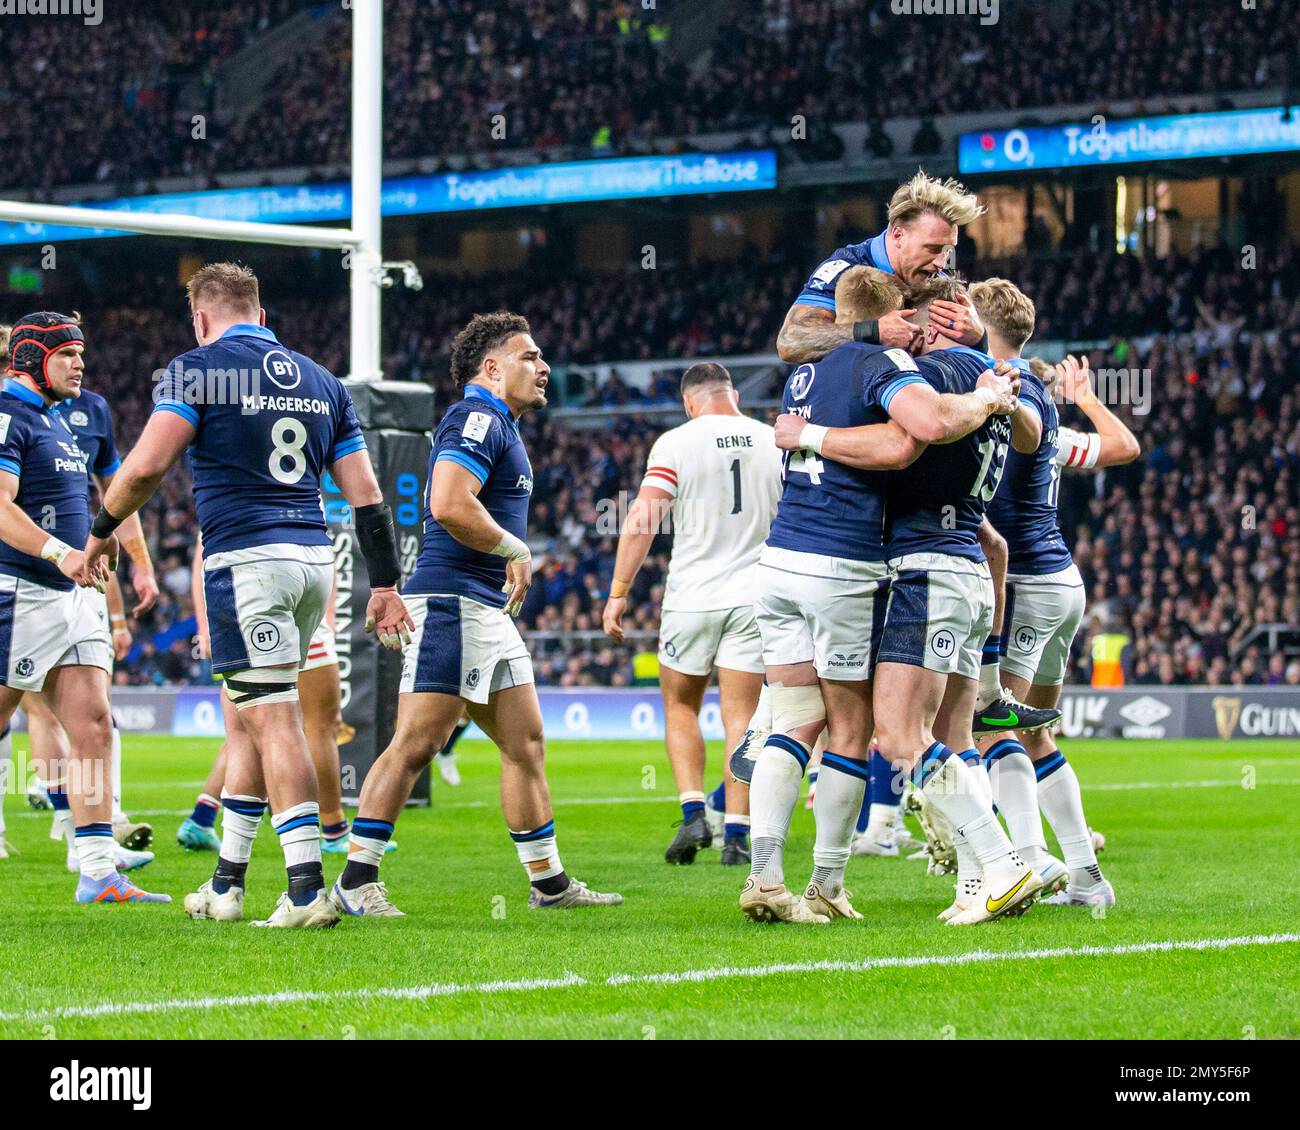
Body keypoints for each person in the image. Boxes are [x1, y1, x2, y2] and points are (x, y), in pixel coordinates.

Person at [81, 262, 411, 928]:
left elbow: (145, 465)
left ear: (201, 319)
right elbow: (369, 495)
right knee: (247, 721)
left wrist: (99, 532)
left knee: (272, 721)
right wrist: (385, 584)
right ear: (261, 316)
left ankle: (302, 892)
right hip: (315, 561)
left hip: (247, 561)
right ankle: (227, 885)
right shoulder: (323, 380)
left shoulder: (195, 370)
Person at [743, 266, 1017, 924]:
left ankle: (765, 878)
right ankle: (833, 883)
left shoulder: (803, 373)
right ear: (892, 315)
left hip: (778, 559)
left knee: (792, 721)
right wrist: (987, 397)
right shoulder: (878, 361)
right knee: (855, 729)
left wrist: (804, 432)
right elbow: (907, 439)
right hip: (840, 565)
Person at [332, 313, 621, 917]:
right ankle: (356, 882)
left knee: (525, 743)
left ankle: (549, 884)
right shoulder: (479, 416)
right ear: (491, 368)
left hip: (483, 608)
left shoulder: (500, 423)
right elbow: (446, 503)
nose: (544, 369)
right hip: (453, 603)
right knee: (417, 741)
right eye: (530, 357)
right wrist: (514, 548)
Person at [972, 280, 1141, 907]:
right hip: (1061, 581)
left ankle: (1029, 861)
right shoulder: (1039, 406)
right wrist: (1089, 400)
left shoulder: (1002, 395)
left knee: (993, 727)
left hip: (1023, 582)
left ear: (982, 325)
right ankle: (1086, 875)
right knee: (1035, 733)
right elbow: (1125, 446)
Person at [0, 311, 166, 903]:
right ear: (31, 359)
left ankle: (97, 870)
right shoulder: (9, 414)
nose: (80, 363)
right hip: (19, 591)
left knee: (94, 726)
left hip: (77, 596)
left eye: (81, 353)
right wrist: (58, 551)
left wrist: (129, 560)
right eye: (67, 353)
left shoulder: (63, 419)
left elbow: (113, 499)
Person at [602, 362, 780, 867]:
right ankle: (739, 837)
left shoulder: (677, 442)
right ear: (733, 396)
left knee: (681, 706)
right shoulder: (772, 440)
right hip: (755, 597)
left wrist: (618, 592)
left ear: (689, 402)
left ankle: (693, 816)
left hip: (692, 598)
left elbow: (642, 518)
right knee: (742, 719)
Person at [775, 171, 988, 365]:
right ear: (898, 235)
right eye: (932, 248)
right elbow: (790, 340)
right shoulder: (846, 268)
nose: (942, 262)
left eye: (948, 249)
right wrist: (874, 332)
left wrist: (979, 340)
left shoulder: (935, 275)